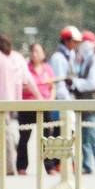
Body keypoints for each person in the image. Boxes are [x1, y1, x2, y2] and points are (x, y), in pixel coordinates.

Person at [0, 34, 42, 175]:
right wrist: (38, 96)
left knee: (3, 134)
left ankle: (7, 166)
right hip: (14, 100)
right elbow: (28, 79)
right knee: (7, 132)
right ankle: (8, 164)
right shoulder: (17, 57)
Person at [71, 30, 95, 174]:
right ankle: (87, 166)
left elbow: (93, 83)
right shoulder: (85, 61)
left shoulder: (94, 61)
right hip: (85, 104)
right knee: (84, 137)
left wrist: (76, 82)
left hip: (92, 104)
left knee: (93, 136)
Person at [16, 41, 55, 175]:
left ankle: (49, 166)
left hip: (44, 106)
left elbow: (52, 86)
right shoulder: (25, 68)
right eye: (33, 51)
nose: (35, 54)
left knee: (47, 137)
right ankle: (21, 166)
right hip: (27, 105)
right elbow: (20, 86)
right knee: (24, 138)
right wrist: (33, 87)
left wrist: (50, 100)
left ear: (43, 54)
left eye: (37, 51)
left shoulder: (48, 68)